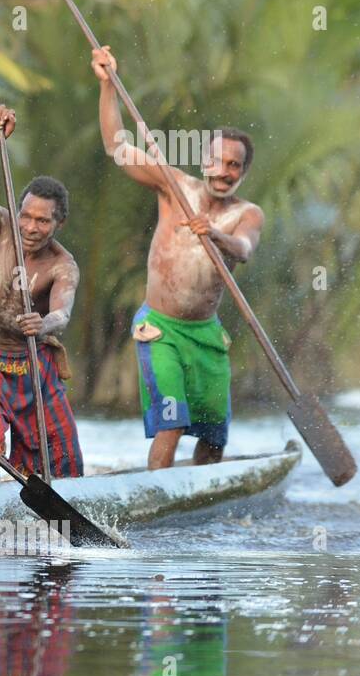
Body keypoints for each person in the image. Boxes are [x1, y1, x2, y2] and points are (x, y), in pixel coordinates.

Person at [91, 46, 264, 468]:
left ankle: (200, 508)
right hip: (160, 330)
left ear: (243, 173)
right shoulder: (174, 187)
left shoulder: (247, 215)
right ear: (204, 160)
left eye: (234, 166)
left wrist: (218, 235)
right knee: (171, 422)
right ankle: (157, 505)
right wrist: (107, 87)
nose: (224, 171)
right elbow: (117, 147)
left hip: (206, 336)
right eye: (218, 161)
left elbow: (245, 248)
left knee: (213, 436)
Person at [0, 105, 83, 481]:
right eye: (26, 216)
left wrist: (44, 324)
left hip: (33, 364)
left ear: (59, 223)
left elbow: (63, 311)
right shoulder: (1, 227)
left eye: (43, 221)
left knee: (64, 456)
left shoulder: (62, 264)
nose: (31, 227)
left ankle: (61, 520)